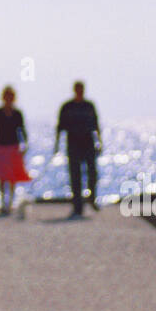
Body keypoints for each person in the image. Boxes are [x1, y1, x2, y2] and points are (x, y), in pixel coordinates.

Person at [0, 86, 31, 215]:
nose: (8, 98)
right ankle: (3, 203)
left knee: (13, 177)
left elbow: (22, 130)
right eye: (6, 95)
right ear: (3, 97)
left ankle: (10, 203)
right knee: (2, 177)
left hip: (13, 147)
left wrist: (25, 145)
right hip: (0, 147)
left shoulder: (17, 113)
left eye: (11, 96)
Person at [55, 81, 102, 217]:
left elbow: (96, 124)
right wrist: (57, 145)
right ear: (74, 90)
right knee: (75, 176)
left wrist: (99, 141)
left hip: (88, 143)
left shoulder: (89, 106)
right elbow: (59, 127)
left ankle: (91, 197)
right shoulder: (67, 107)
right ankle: (77, 206)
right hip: (73, 144)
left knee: (92, 173)